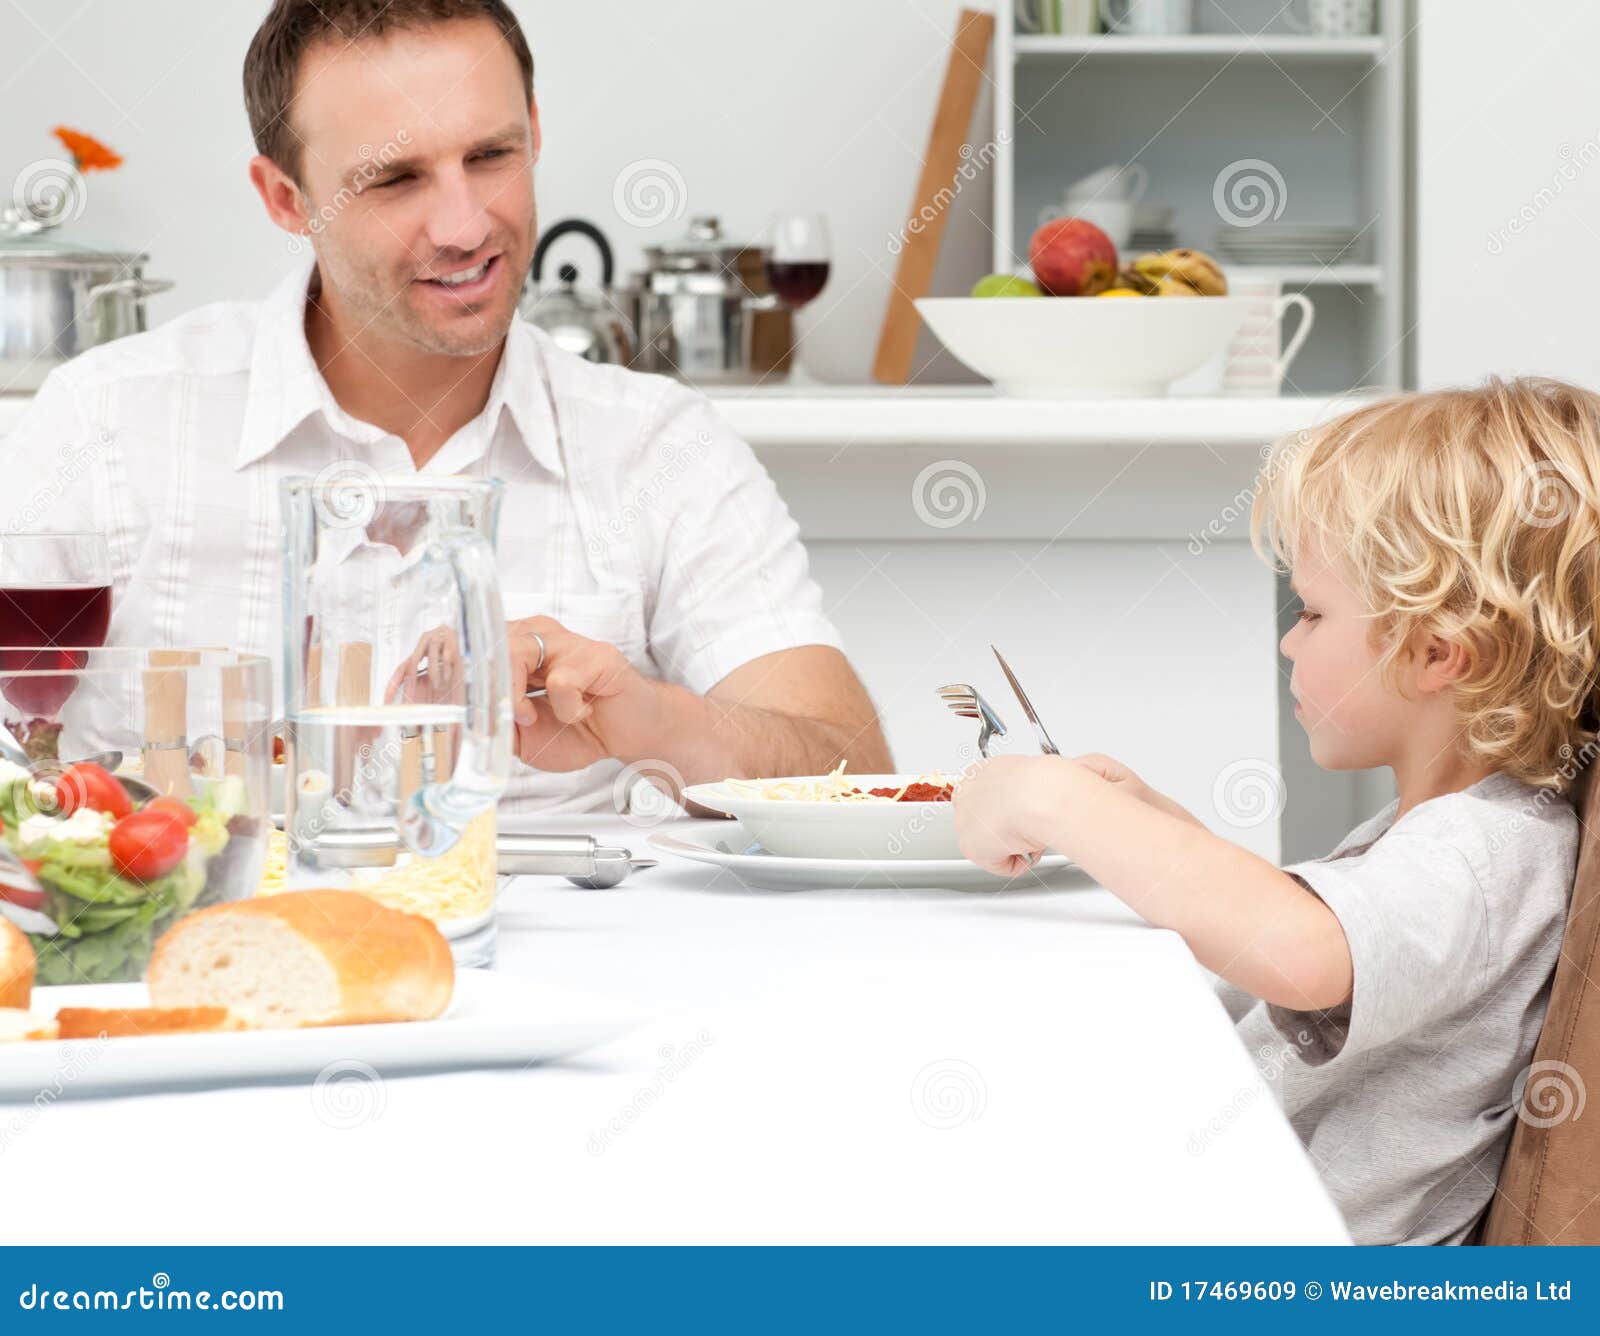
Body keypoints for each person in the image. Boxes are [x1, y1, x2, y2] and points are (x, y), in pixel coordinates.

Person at [0, 0, 890, 811]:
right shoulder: (107, 424)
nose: (464, 226)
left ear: (535, 133)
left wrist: (655, 722)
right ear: (285, 198)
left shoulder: (660, 448)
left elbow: (854, 774)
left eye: (491, 155)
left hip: (586, 986)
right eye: (395, 181)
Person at [953, 379, 1595, 1244]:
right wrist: (1159, 825)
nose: (1290, 639)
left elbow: (1302, 951)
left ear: (1436, 652)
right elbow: (1304, 919)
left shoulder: (1488, 851)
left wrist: (1052, 798)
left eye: (1313, 611)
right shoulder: (1460, 825)